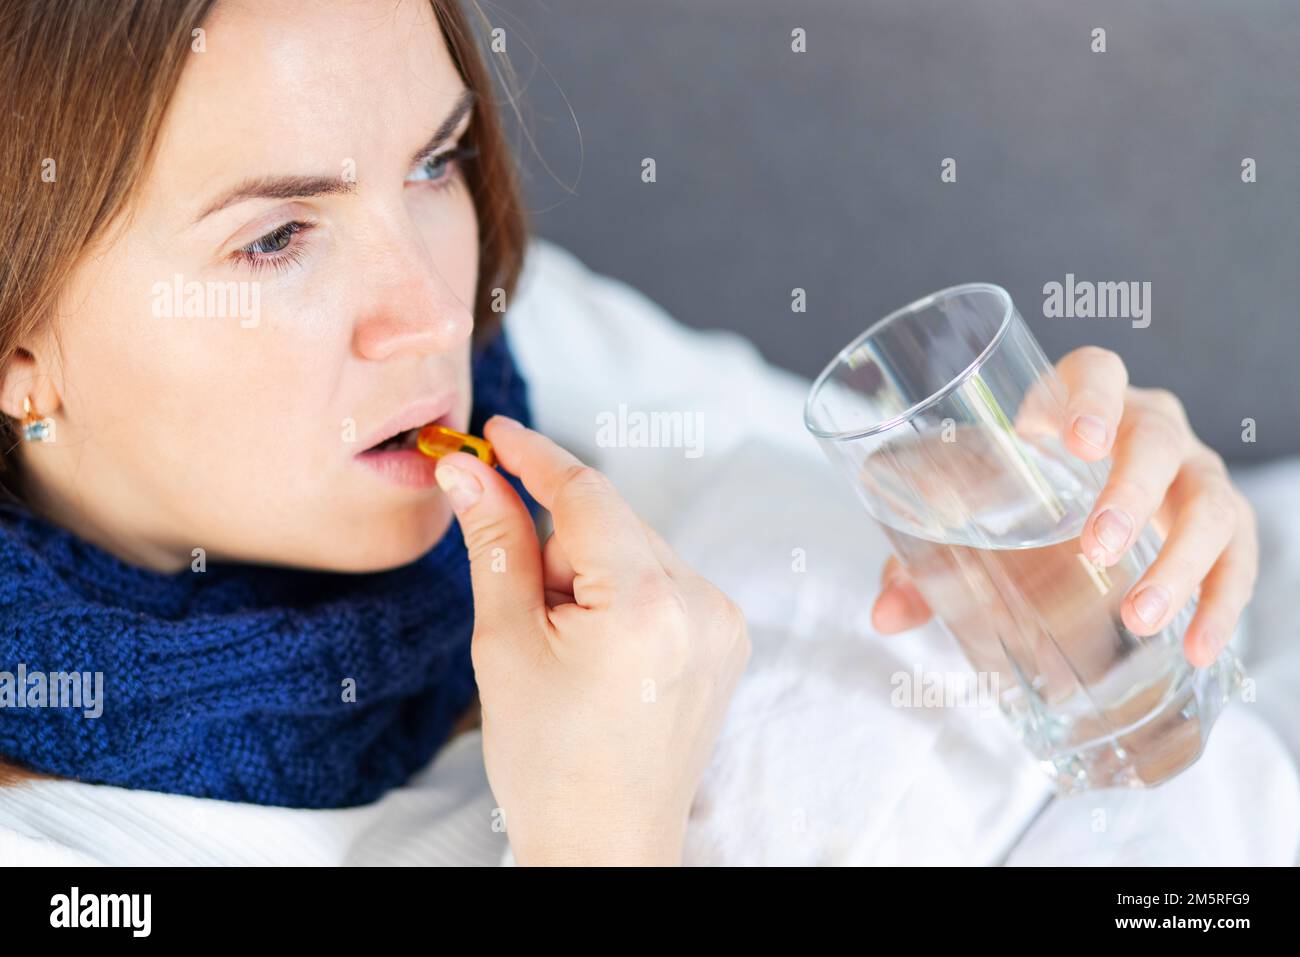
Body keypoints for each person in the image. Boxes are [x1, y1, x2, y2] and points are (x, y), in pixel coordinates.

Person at [0, 0, 1257, 866]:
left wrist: (1103, 557)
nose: (439, 311)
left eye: (436, 165)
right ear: (20, 348)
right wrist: (603, 839)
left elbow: (951, 527)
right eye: (276, 238)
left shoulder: (547, 344)